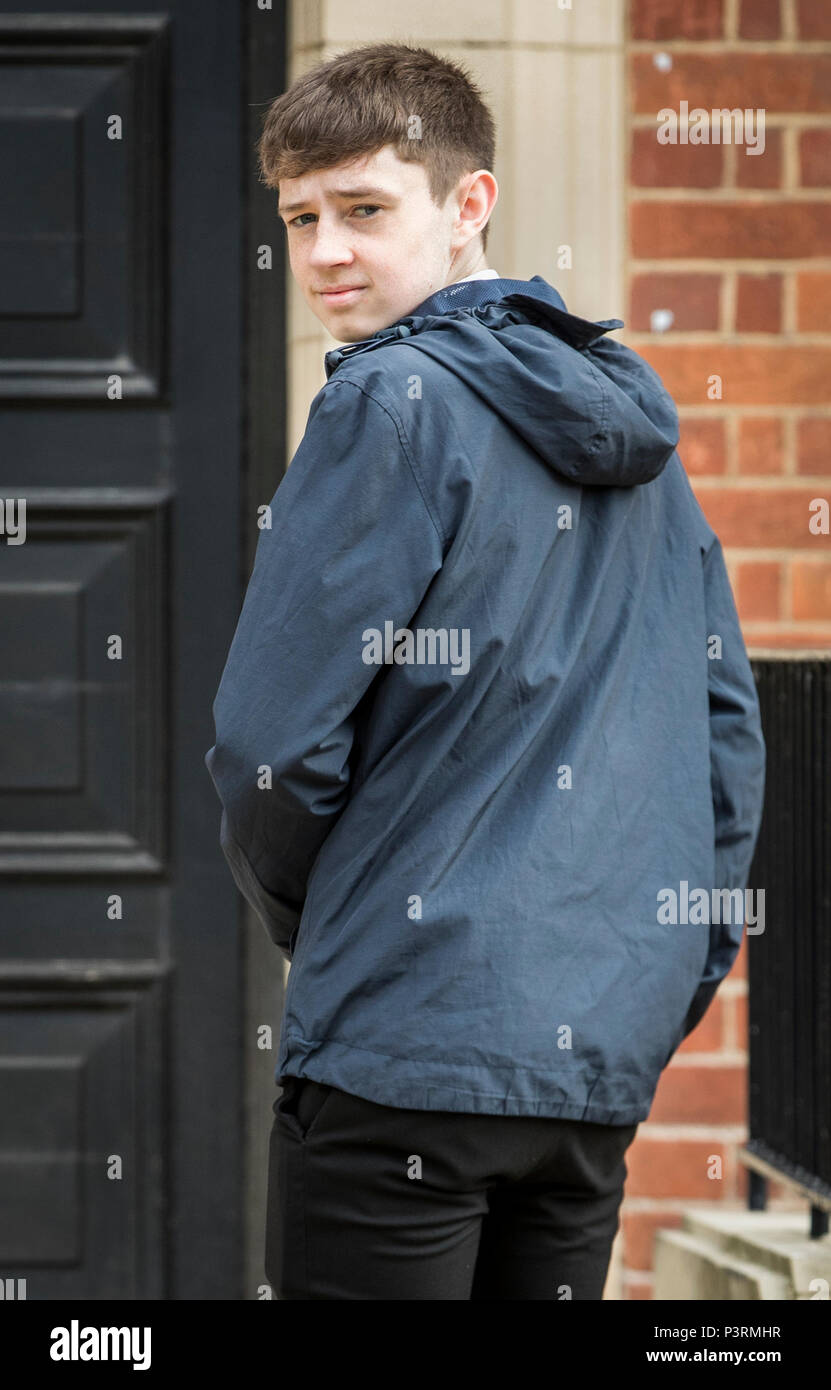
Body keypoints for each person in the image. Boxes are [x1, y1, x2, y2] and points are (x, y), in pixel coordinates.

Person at [204, 42, 766, 1300]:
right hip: (587, 1075)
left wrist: (336, 926)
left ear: (471, 206)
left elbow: (267, 749)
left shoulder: (387, 403)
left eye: (364, 209)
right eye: (299, 218)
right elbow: (728, 748)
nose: (324, 254)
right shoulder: (645, 441)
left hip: (405, 1053)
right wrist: (655, 980)